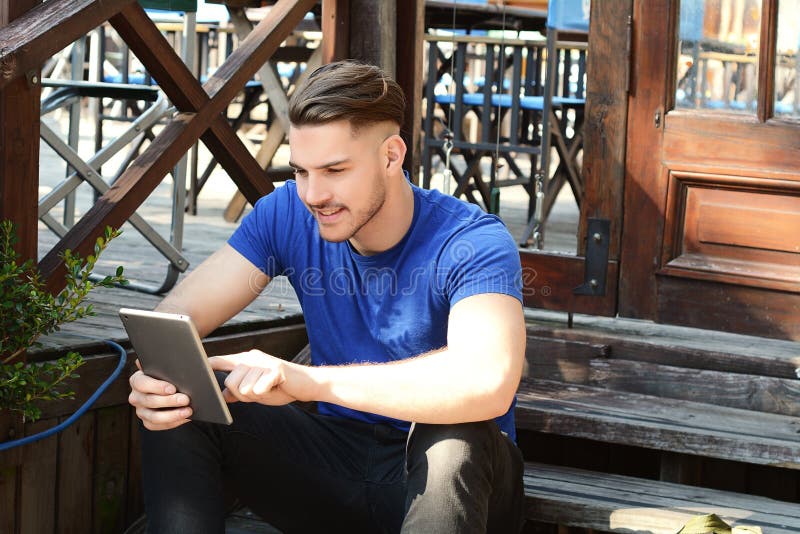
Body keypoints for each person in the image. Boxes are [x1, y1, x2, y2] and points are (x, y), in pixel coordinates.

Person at [128, 60, 526, 533]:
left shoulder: (471, 241)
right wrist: (156, 381)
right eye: (301, 171)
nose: (314, 194)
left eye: (335, 170)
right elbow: (175, 318)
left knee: (452, 436)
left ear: (392, 156)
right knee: (184, 406)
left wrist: (310, 383)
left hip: (460, 488)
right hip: (337, 463)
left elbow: (485, 382)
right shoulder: (288, 212)